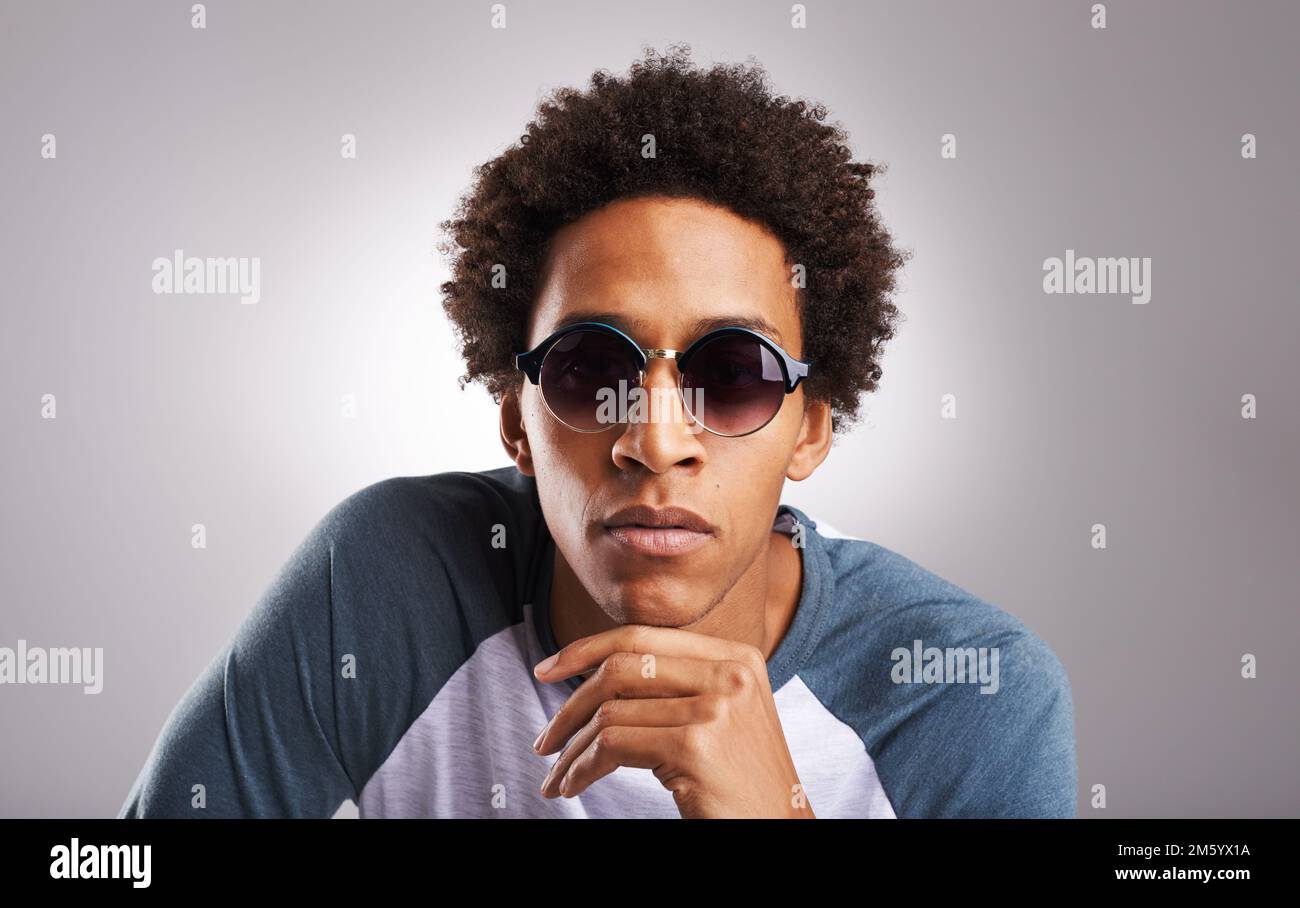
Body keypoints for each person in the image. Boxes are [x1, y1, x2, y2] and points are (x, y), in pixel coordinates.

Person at [119, 43, 1076, 819]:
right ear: (517, 423)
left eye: (730, 376)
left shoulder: (969, 693)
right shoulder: (385, 584)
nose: (654, 441)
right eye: (592, 369)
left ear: (812, 429)